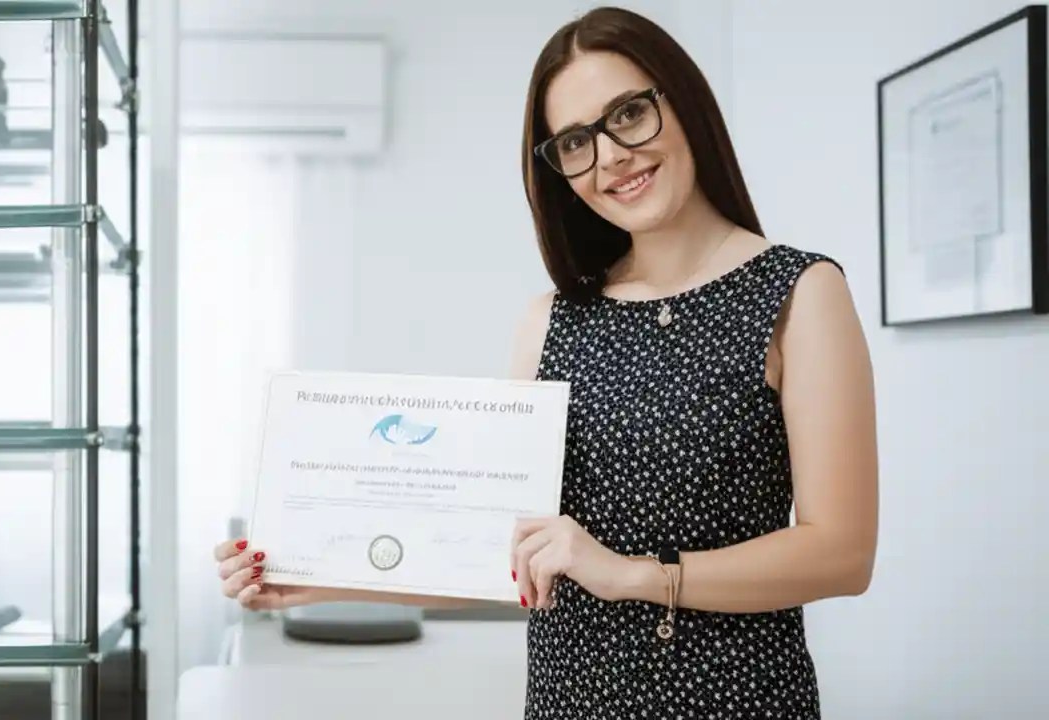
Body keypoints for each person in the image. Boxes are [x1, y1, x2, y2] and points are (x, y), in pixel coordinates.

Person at [212, 5, 878, 718]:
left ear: (684, 103)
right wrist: (316, 577)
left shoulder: (800, 292)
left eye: (628, 114)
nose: (610, 157)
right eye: (576, 142)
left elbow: (842, 554)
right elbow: (502, 556)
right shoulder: (552, 320)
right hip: (568, 700)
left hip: (736, 700)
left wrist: (633, 576)